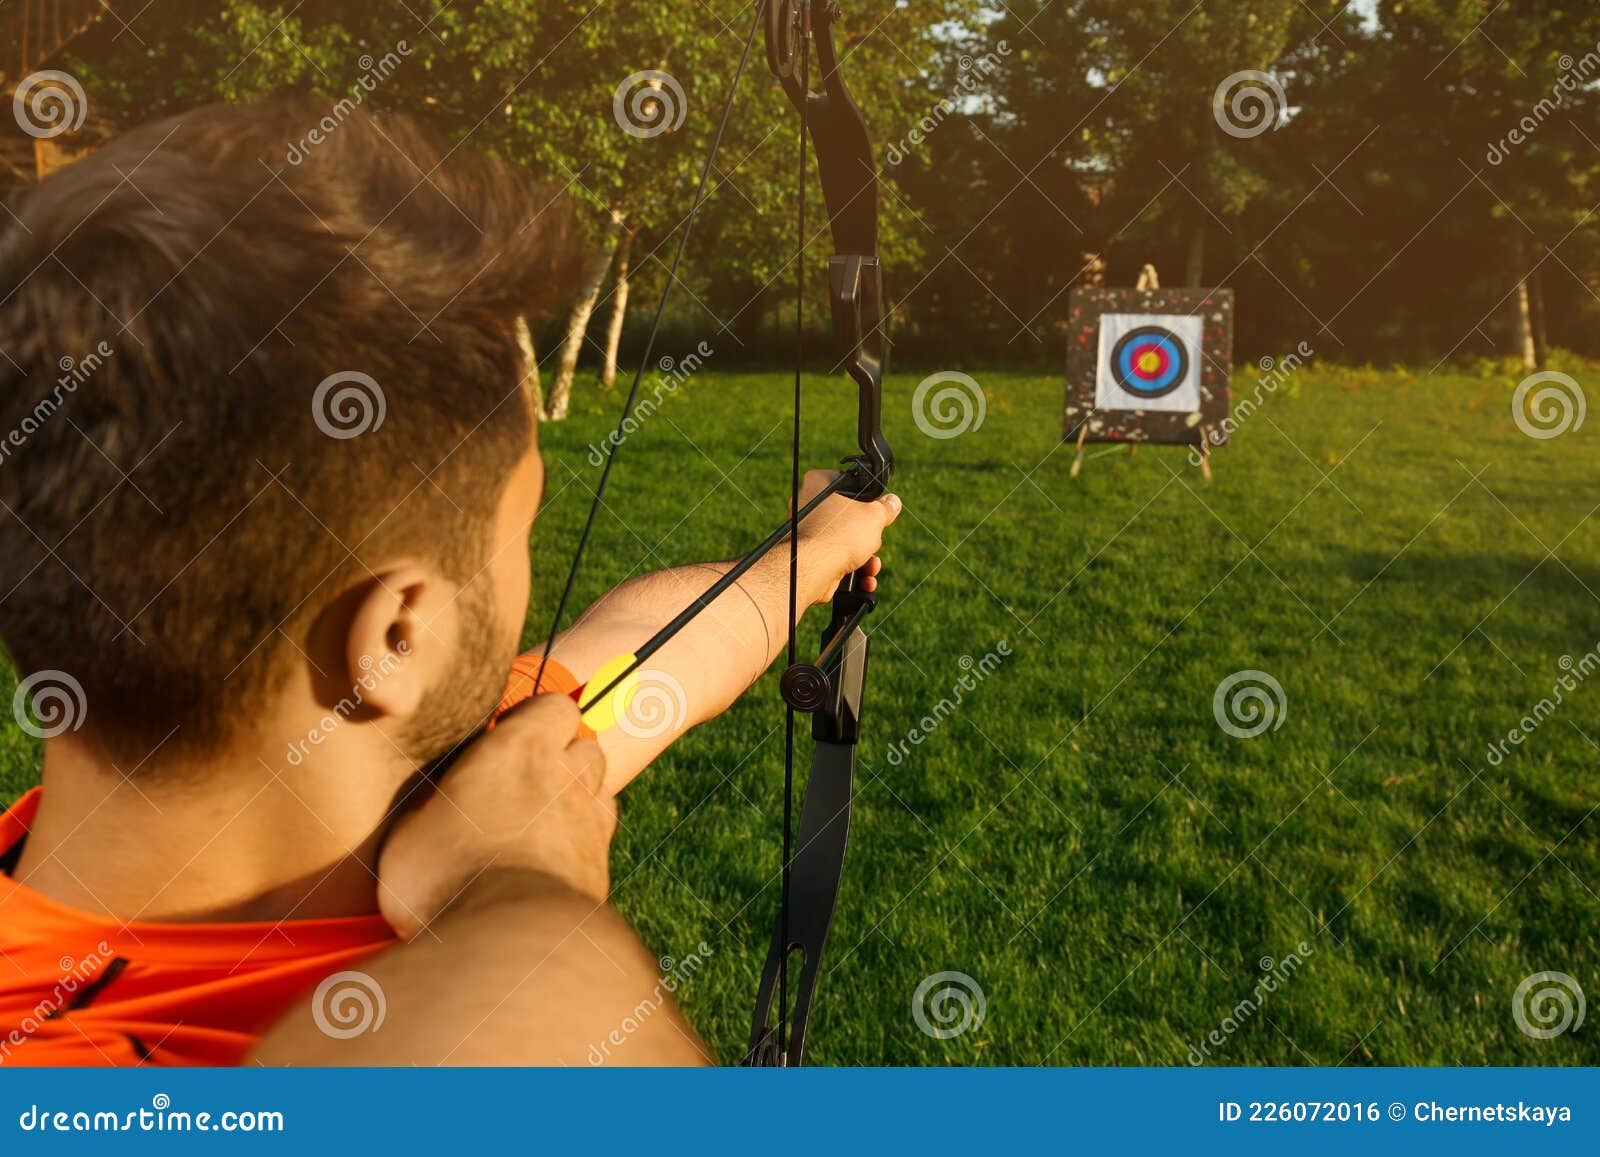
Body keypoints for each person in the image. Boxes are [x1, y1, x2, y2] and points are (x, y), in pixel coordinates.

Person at [0, 99, 899, 1066]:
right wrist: (518, 886)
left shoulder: (428, 776)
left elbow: (649, 653)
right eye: (524, 525)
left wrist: (811, 550)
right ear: (397, 637)